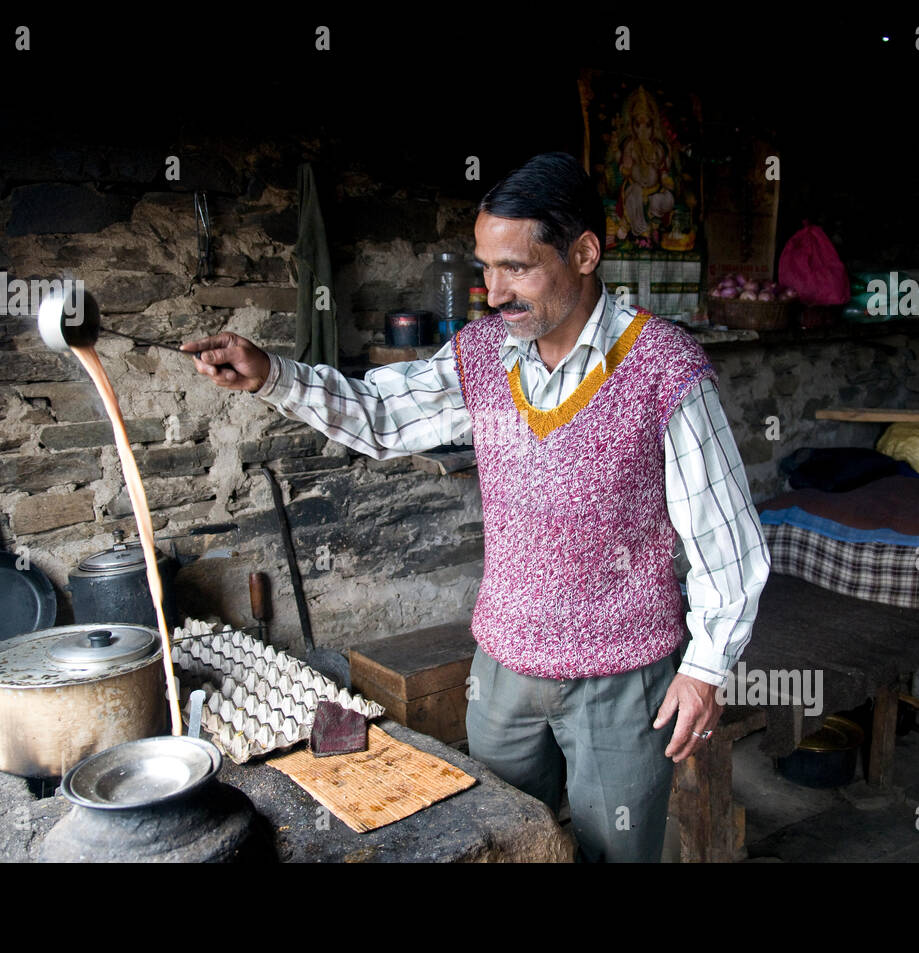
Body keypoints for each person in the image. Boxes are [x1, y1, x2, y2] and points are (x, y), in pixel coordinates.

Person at [183, 152, 770, 862]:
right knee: (502, 841)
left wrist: (705, 669)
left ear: (585, 253)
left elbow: (726, 541)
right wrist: (273, 375)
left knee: (613, 851)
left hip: (624, 681)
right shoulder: (486, 352)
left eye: (516, 268)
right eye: (485, 269)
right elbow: (379, 413)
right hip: (504, 674)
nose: (493, 293)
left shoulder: (663, 367)